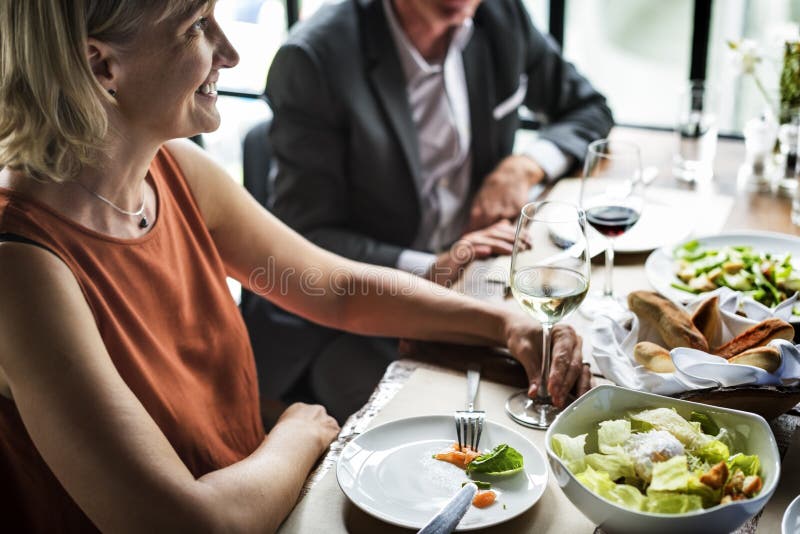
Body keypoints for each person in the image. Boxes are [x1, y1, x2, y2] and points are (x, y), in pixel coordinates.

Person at [0, 1, 589, 530]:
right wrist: (295, 436)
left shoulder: (175, 170)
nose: (228, 53)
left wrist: (505, 326)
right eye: (197, 26)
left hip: (265, 494)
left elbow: (333, 288)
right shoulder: (21, 268)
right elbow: (186, 523)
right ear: (102, 67)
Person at [257, 0, 612, 419]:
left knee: (583, 381)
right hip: (347, 320)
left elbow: (589, 108)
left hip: (478, 278)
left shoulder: (500, 15)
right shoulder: (313, 59)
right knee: (476, 423)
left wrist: (524, 165)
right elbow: (303, 239)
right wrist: (431, 266)